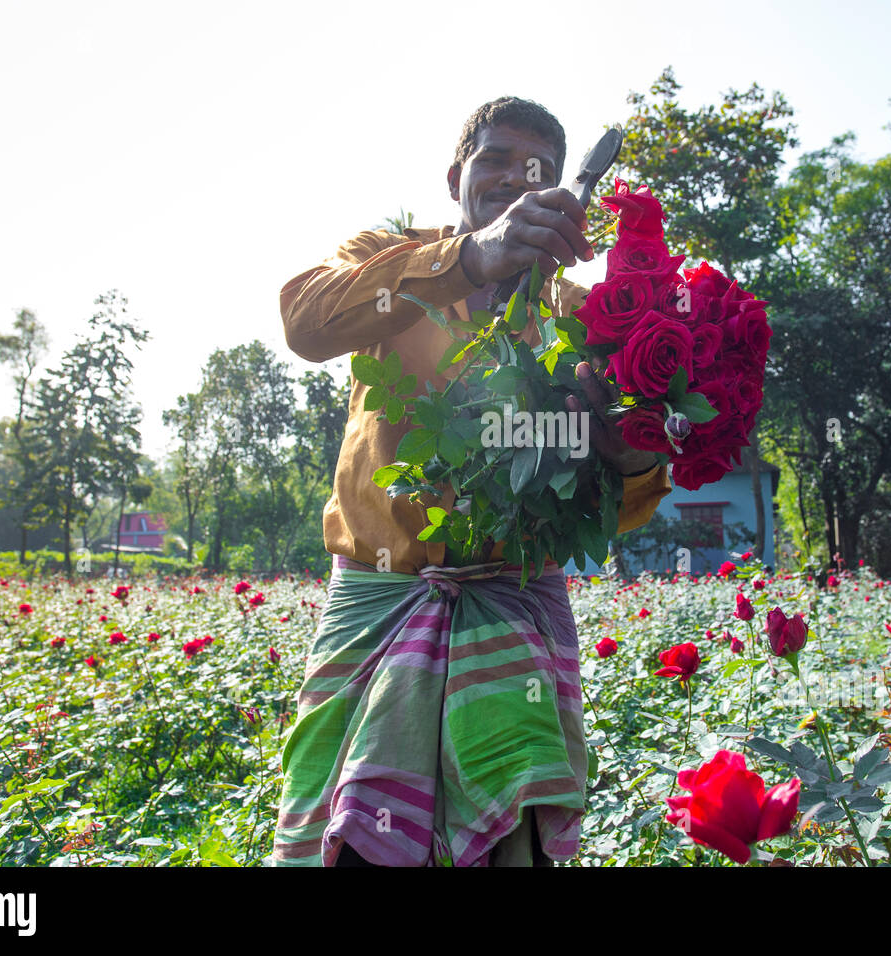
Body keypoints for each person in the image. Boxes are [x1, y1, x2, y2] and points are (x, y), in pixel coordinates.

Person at [270, 96, 671, 867]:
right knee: (351, 843)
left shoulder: (579, 321)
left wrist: (625, 453)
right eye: (495, 159)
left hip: (514, 616)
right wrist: (473, 257)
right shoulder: (388, 260)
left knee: (512, 845)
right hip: (380, 606)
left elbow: (613, 514)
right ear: (456, 175)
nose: (516, 179)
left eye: (540, 171)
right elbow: (303, 320)